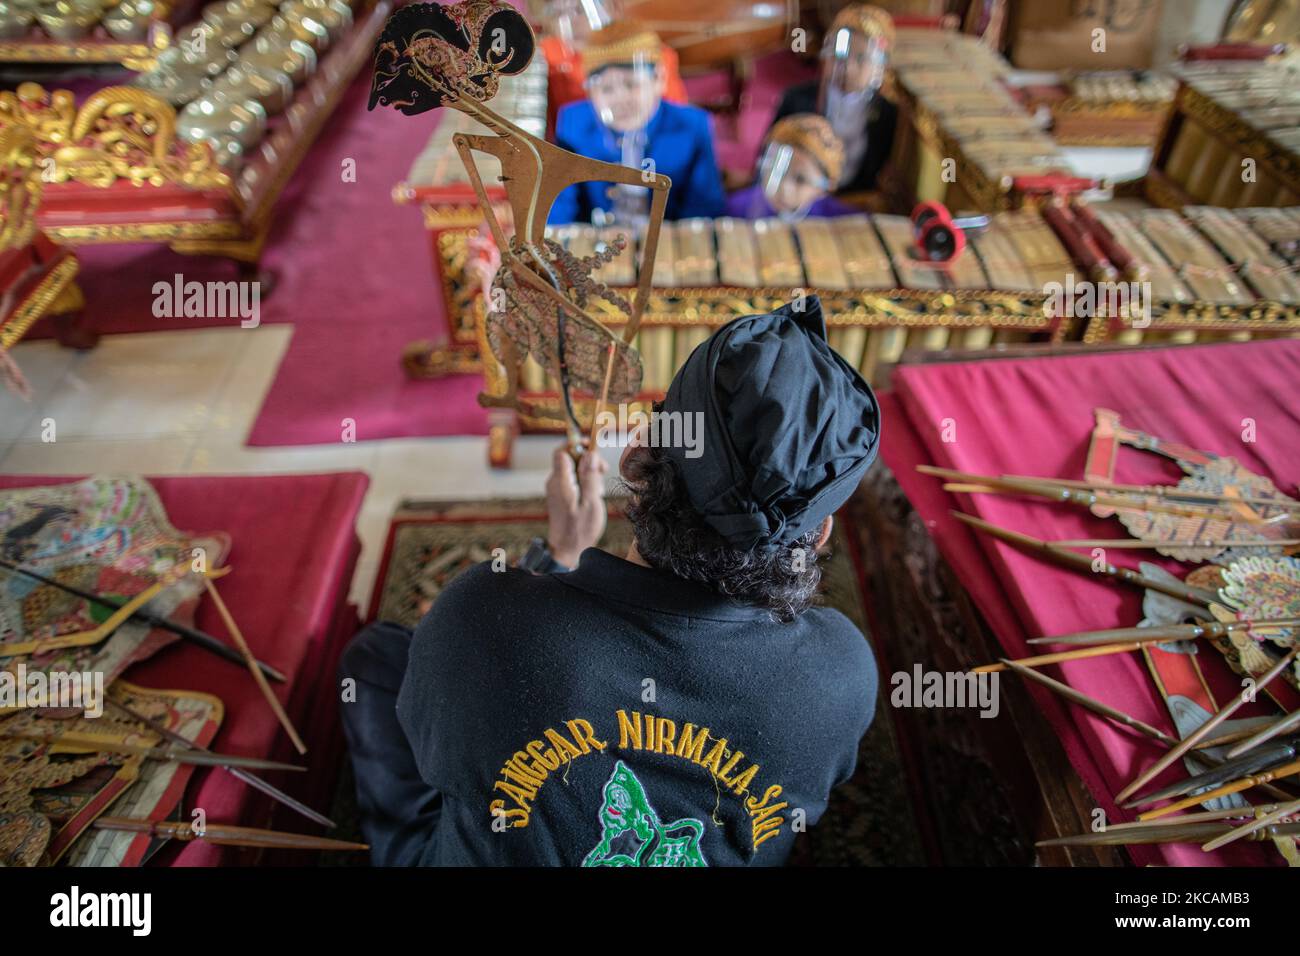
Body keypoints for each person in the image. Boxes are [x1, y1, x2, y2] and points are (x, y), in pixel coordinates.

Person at [339, 296, 882, 867]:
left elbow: (438, 759)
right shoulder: (841, 675)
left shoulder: (479, 619)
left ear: (635, 460)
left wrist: (560, 560)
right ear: (818, 536)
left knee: (375, 658)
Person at [547, 21, 726, 226]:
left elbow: (705, 212)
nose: (620, 100)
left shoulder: (692, 125)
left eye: (631, 84)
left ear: (659, 78)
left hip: (667, 246)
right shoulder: (573, 123)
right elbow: (559, 209)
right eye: (606, 89)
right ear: (590, 91)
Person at [771, 3, 898, 195]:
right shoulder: (796, 99)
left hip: (853, 204)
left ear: (879, 67)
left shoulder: (888, 114)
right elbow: (770, 161)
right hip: (795, 199)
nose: (847, 67)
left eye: (861, 58)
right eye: (839, 54)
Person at [538, 0, 688, 138]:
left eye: (579, 10)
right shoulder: (546, 55)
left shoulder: (650, 57)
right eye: (557, 13)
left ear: (613, 7)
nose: (570, 22)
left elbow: (677, 125)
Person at [726, 113, 857, 220]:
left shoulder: (842, 222)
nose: (784, 188)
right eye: (776, 169)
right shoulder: (736, 208)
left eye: (801, 179)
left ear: (825, 189)